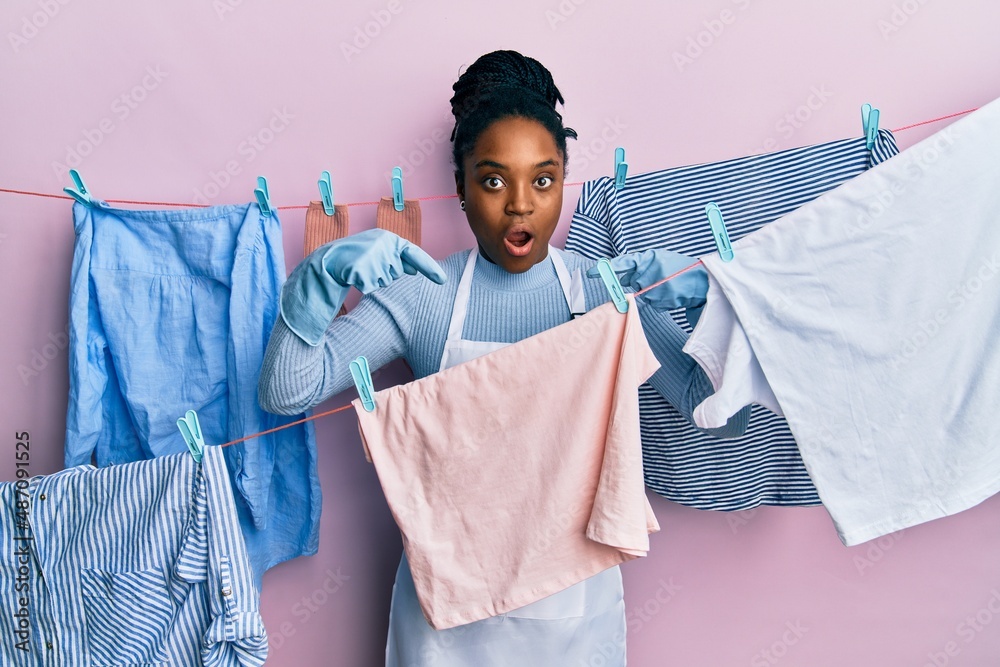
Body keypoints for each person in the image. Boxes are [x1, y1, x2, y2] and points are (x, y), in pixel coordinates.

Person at [259, 49, 749, 667]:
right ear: (461, 189)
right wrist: (319, 281)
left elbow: (715, 412)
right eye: (493, 180)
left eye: (542, 180)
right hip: (448, 625)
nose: (520, 204)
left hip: (573, 618)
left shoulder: (608, 293)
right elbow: (284, 392)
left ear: (563, 182)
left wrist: (702, 305)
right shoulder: (424, 298)